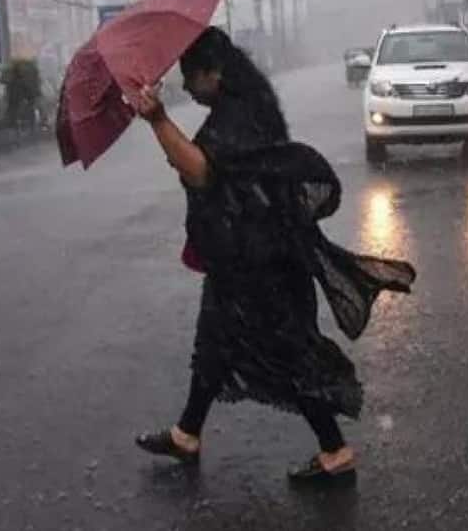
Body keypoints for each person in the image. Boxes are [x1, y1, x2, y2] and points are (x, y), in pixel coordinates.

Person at [126, 26, 415, 486]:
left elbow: (203, 172)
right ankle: (187, 434)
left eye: (190, 74)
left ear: (213, 73)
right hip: (243, 256)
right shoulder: (244, 102)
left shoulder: (238, 114)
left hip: (262, 262)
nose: (186, 84)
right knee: (214, 342)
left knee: (288, 352)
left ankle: (335, 452)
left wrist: (159, 119)